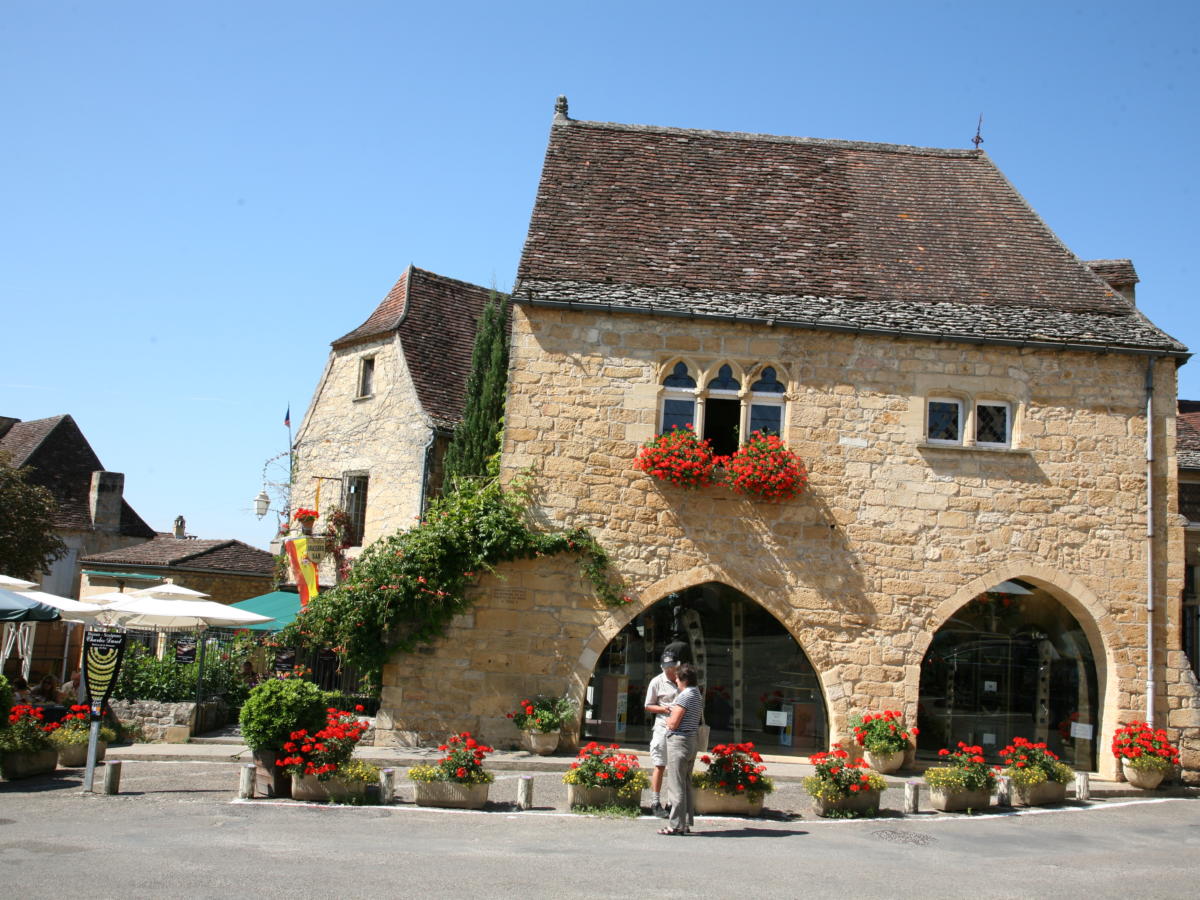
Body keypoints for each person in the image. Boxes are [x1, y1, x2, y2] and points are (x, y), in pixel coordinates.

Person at [659, 662, 703, 836]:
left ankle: (675, 824)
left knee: (676, 785)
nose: (675, 680)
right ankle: (684, 823)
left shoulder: (684, 696)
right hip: (691, 740)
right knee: (685, 784)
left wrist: (668, 719)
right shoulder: (696, 693)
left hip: (679, 741)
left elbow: (673, 722)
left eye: (677, 678)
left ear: (683, 679)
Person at [644, 653, 680, 817]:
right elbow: (648, 705)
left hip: (679, 726)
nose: (670, 671)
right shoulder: (657, 682)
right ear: (662, 668)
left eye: (672, 667)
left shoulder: (682, 680)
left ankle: (672, 802)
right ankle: (655, 801)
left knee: (676, 766)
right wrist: (665, 709)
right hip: (663, 725)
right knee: (659, 763)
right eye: (667, 668)